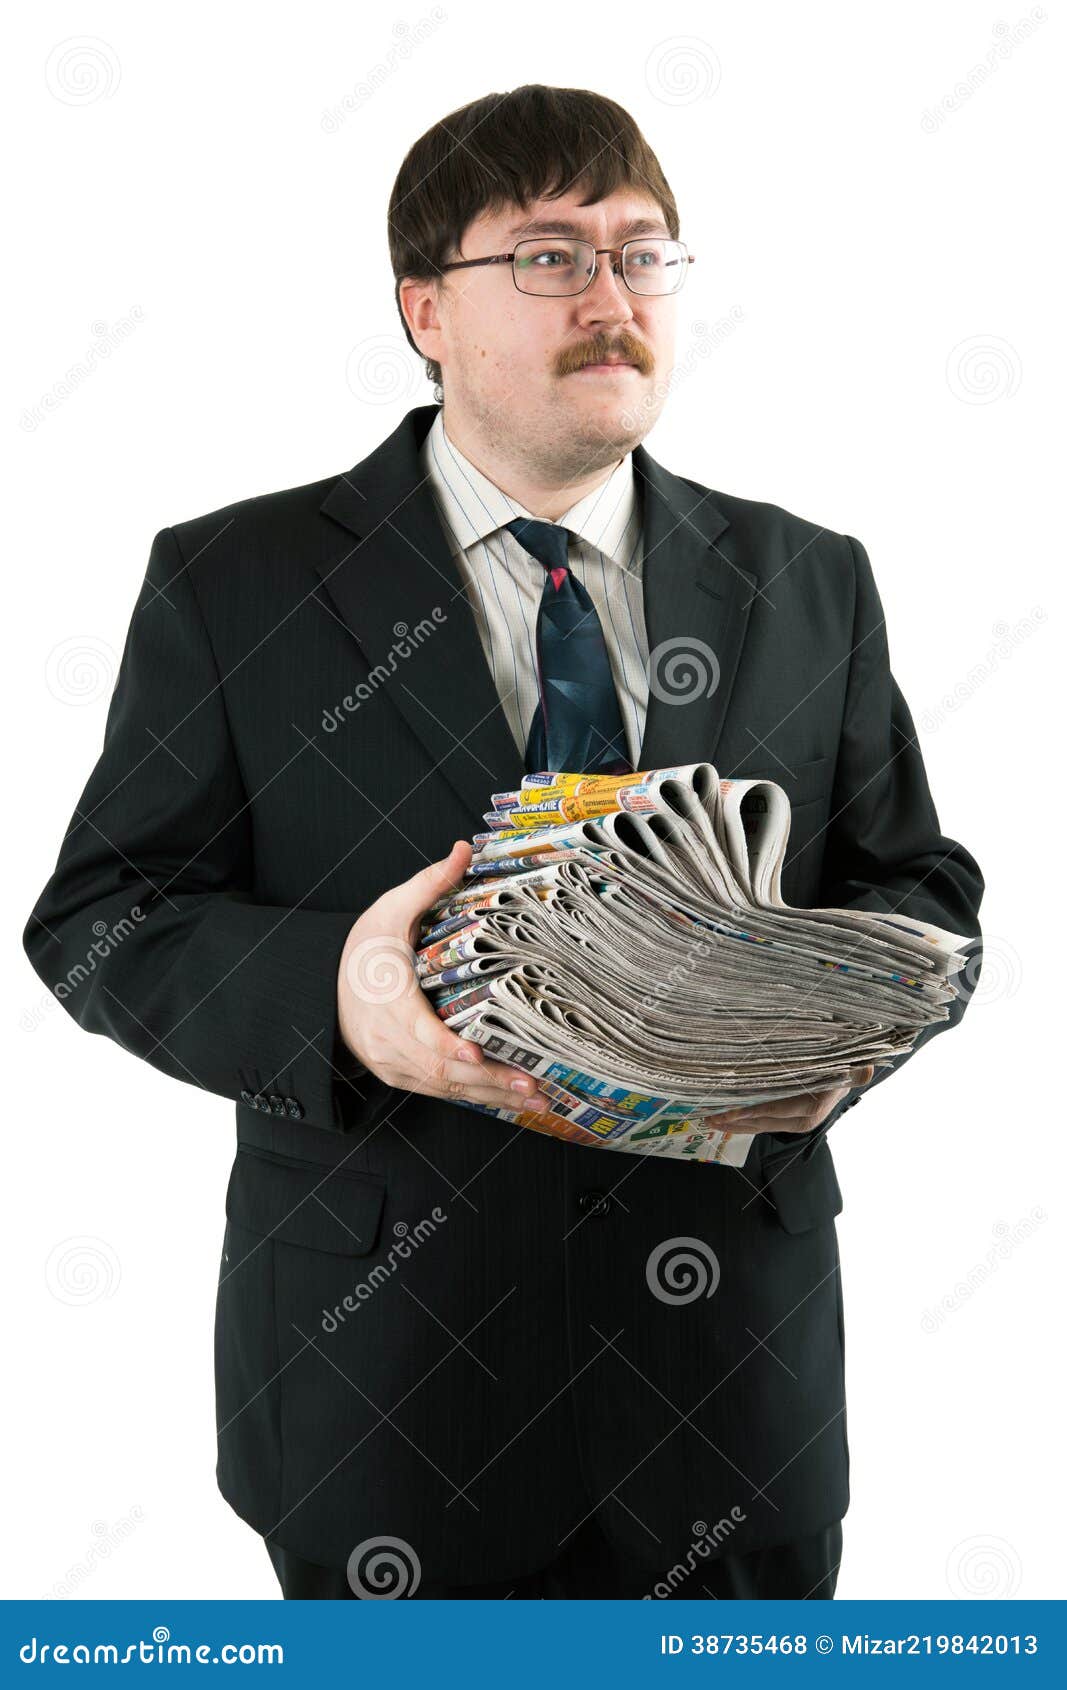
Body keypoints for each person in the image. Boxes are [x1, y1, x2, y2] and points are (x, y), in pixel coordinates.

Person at [23, 84, 984, 1600]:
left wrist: (825, 1027)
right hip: (386, 1399)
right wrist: (348, 998)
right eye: (547, 256)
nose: (612, 298)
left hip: (731, 1393)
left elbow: (917, 884)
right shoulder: (235, 579)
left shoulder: (811, 579)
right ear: (425, 308)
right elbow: (101, 916)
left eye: (641, 252)